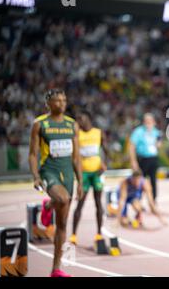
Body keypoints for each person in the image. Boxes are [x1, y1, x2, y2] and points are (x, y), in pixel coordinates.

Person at [28, 89, 82, 277]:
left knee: (62, 224)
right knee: (64, 198)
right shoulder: (39, 124)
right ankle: (50, 203)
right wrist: (35, 176)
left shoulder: (72, 125)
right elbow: (33, 154)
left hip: (67, 173)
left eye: (64, 100)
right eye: (57, 100)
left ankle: (56, 269)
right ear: (48, 103)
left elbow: (76, 157)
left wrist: (80, 182)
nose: (61, 103)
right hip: (49, 170)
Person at [70, 111, 109, 245]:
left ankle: (99, 233)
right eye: (77, 119)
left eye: (81, 118)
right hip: (84, 174)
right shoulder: (77, 135)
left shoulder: (98, 133)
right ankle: (73, 235)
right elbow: (74, 156)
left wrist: (105, 165)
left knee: (98, 204)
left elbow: (107, 150)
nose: (78, 122)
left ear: (88, 118)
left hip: (97, 173)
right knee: (80, 203)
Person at [129, 113, 162, 201]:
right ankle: (137, 201)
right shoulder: (138, 131)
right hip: (142, 159)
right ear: (143, 122)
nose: (148, 123)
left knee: (153, 181)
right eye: (146, 121)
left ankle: (153, 202)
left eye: (150, 121)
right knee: (138, 182)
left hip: (153, 159)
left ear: (154, 122)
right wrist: (133, 162)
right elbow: (132, 147)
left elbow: (159, 144)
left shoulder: (156, 132)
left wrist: (158, 143)